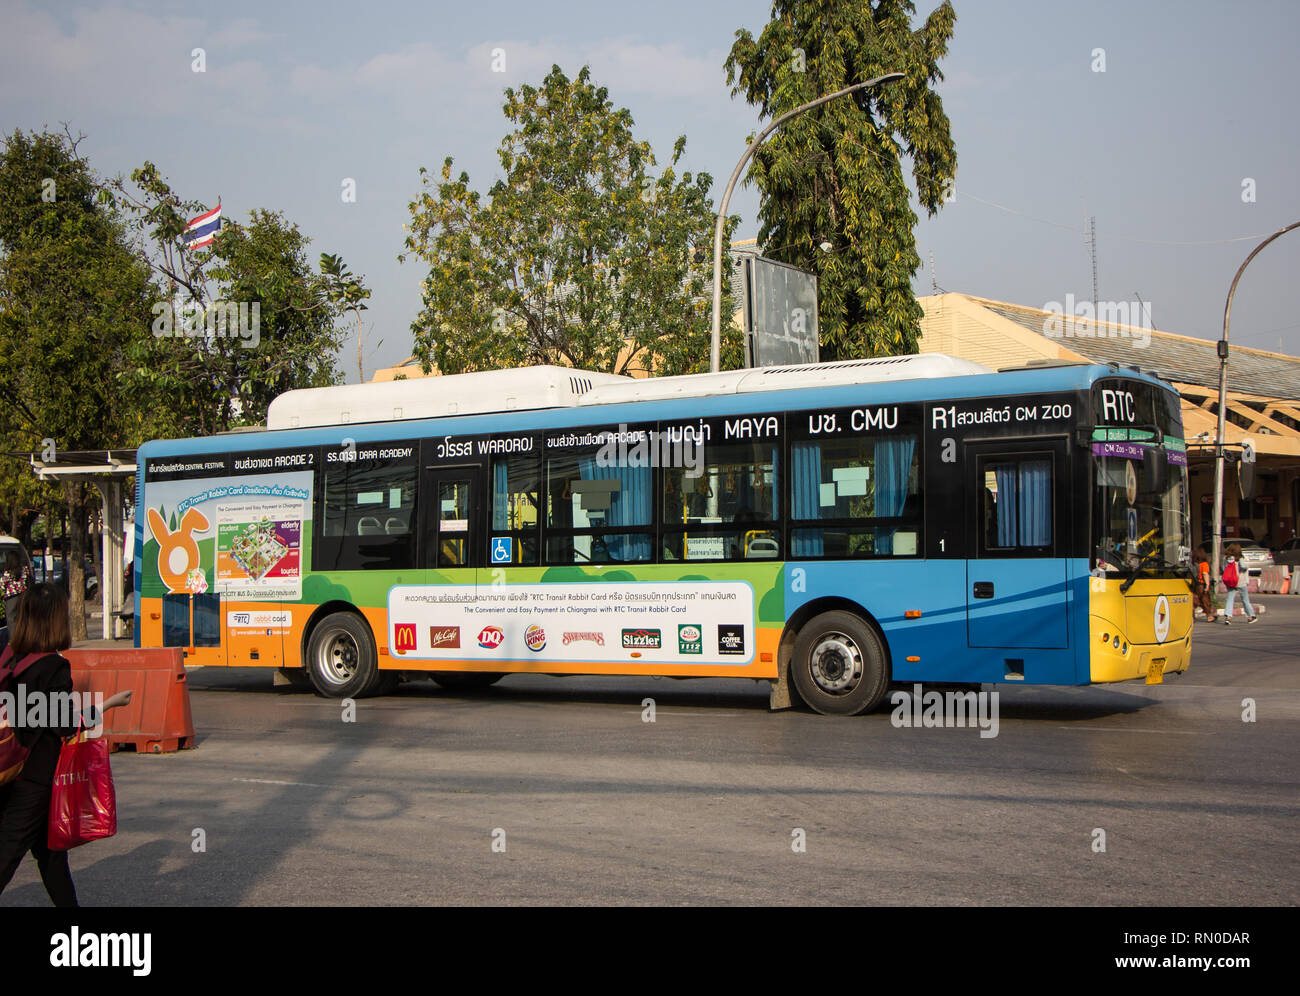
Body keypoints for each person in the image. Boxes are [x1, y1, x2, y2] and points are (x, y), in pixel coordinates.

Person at [0, 583, 132, 906]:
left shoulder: (10, 657)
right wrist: (110, 704)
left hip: (8, 769)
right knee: (7, 858)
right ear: (56, 621)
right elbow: (63, 724)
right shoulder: (52, 668)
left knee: (53, 859)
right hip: (34, 781)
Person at [1221, 543, 1258, 625]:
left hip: (1230, 582)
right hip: (1241, 582)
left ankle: (1228, 617)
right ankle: (1251, 616)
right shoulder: (1240, 559)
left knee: (1230, 598)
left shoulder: (1225, 559)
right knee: (1245, 600)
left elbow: (1223, 569)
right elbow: (1244, 567)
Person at [1192, 551, 1215, 619]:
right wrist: (1207, 585)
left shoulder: (1195, 564)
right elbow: (1205, 574)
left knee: (1195, 600)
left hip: (1196, 584)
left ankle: (1192, 615)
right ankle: (1209, 616)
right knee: (1205, 600)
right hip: (1202, 584)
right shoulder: (1204, 564)